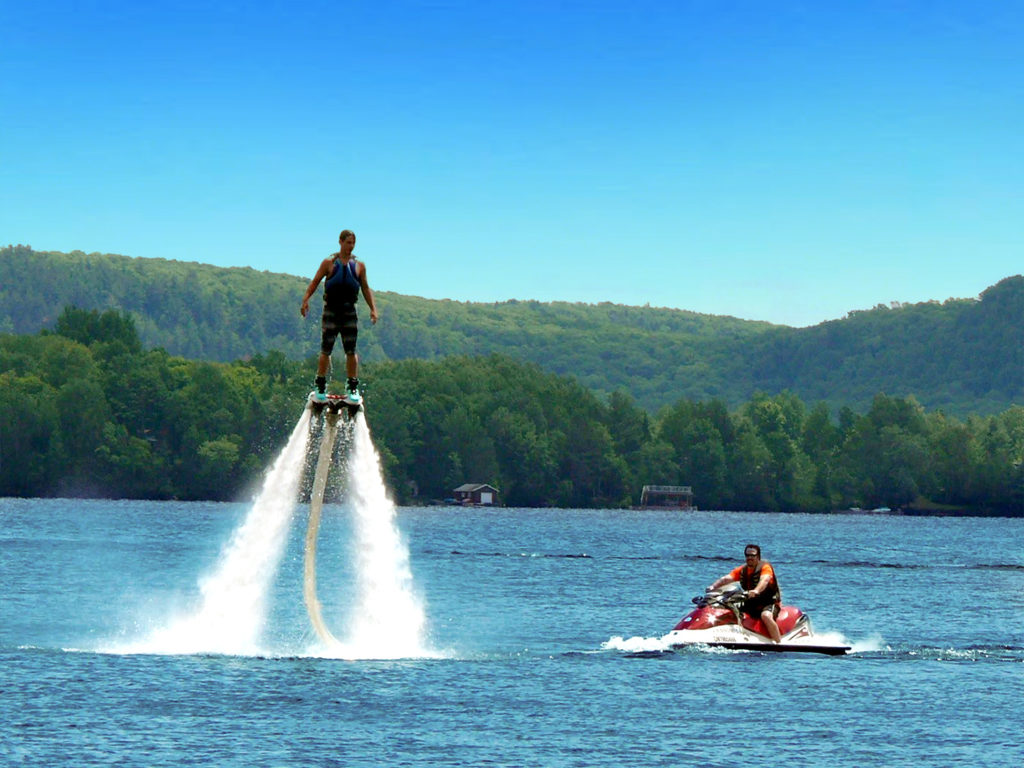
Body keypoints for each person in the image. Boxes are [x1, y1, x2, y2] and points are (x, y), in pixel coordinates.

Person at [300, 229, 379, 404]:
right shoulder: (329, 263)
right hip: (331, 310)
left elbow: (365, 288)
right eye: (348, 243)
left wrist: (373, 308)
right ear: (340, 242)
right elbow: (315, 282)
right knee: (326, 349)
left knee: (350, 350)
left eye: (353, 243)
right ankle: (320, 384)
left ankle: (352, 385)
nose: (350, 246)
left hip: (349, 311)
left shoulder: (359, 266)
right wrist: (305, 300)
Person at [708, 544, 783, 643]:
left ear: (758, 556)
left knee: (766, 616)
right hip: (752, 602)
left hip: (769, 602)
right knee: (728, 609)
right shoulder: (743, 570)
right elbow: (726, 579)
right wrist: (713, 587)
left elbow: (764, 580)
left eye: (752, 555)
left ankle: (778, 643)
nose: (750, 558)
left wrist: (756, 590)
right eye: (747, 555)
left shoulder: (765, 567)